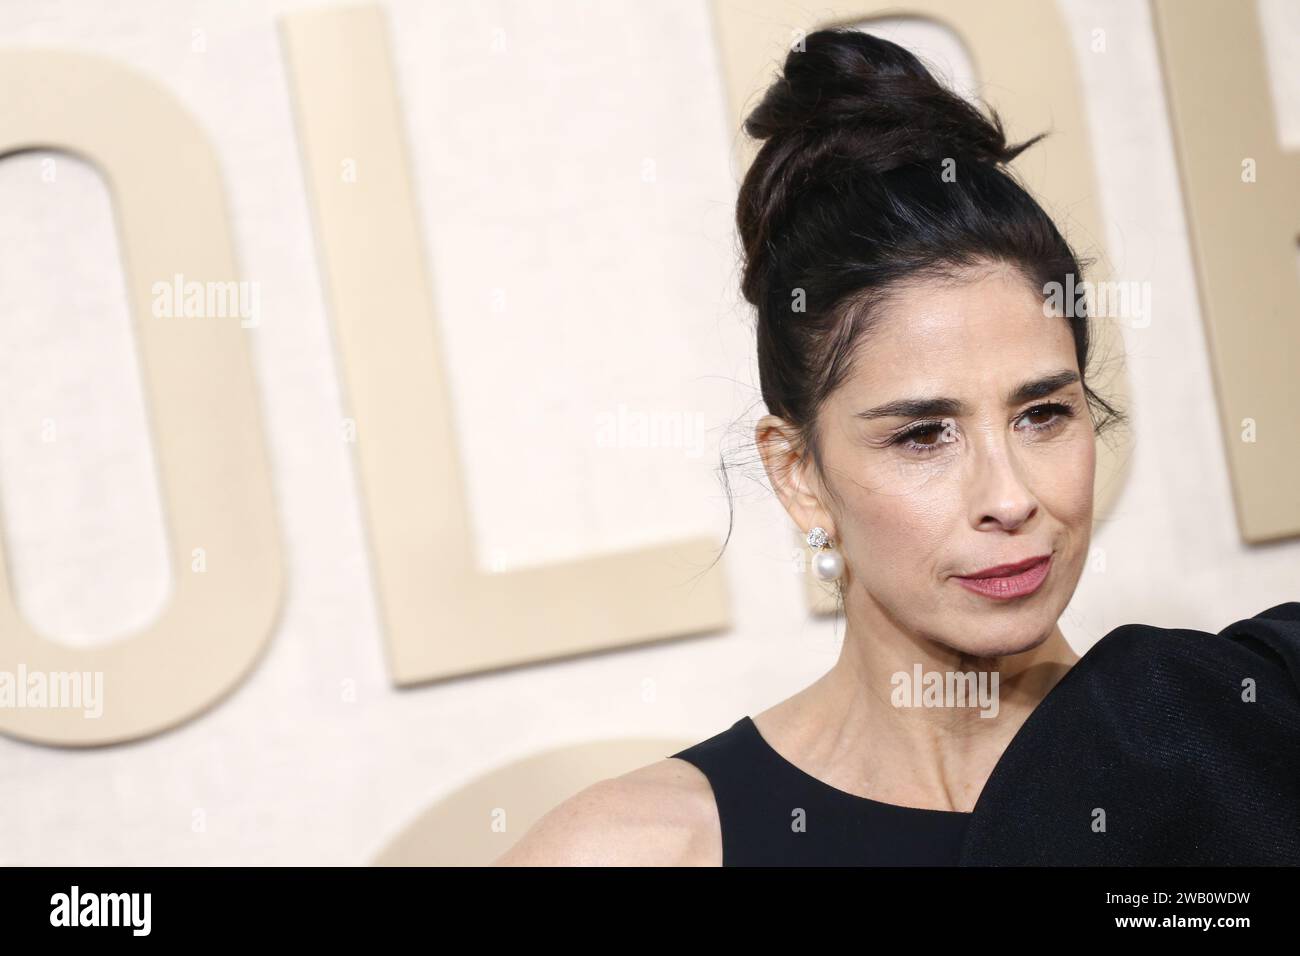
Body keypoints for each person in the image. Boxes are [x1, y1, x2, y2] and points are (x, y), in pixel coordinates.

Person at [493, 28, 1299, 867]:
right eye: (923, 435)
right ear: (798, 475)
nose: (1011, 495)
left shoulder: (1250, 732)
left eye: (1042, 415)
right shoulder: (640, 851)